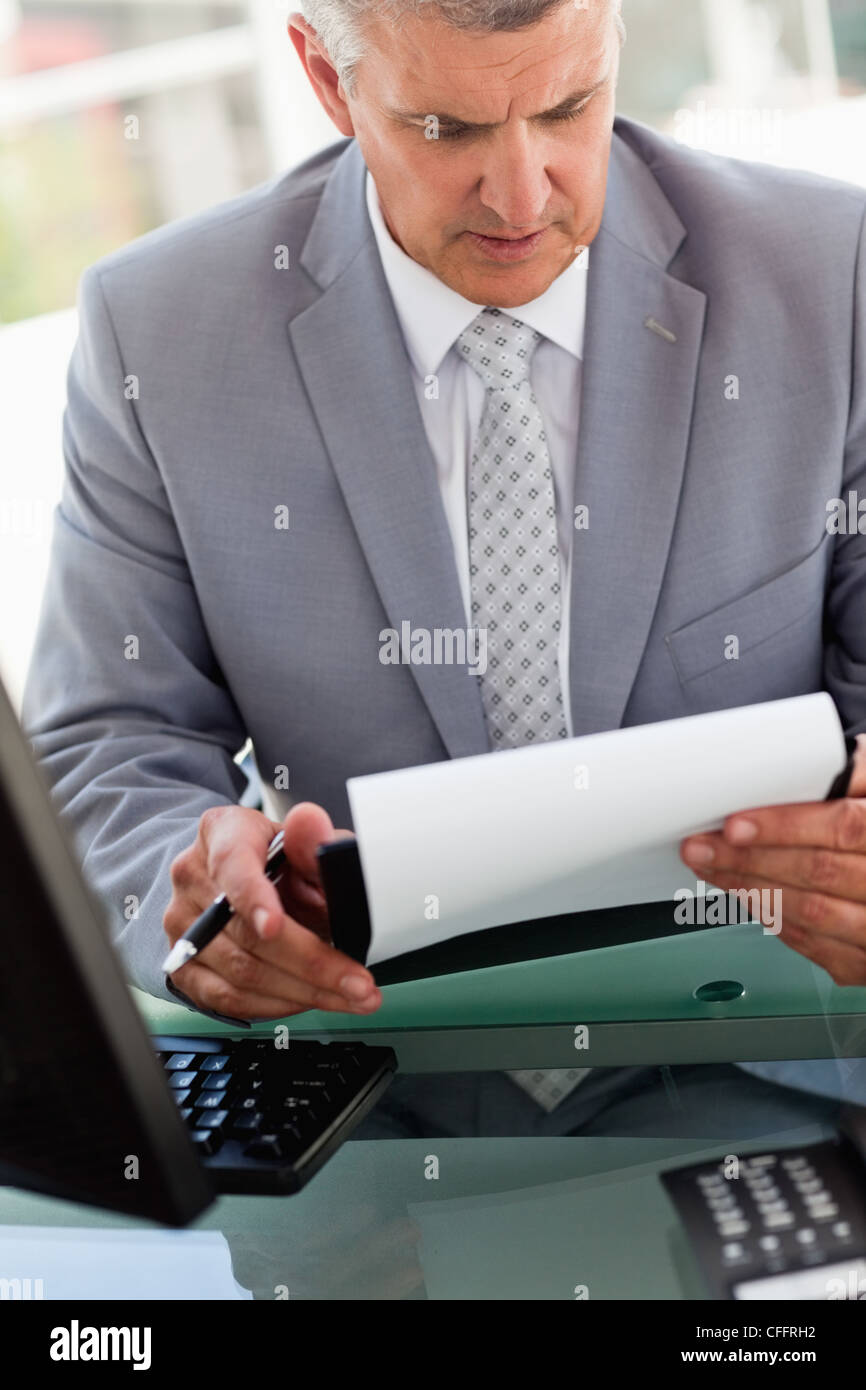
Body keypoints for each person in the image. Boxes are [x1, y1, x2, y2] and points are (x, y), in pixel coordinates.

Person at [23, 0, 866, 1135]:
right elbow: (103, 741)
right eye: (444, 127)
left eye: (565, 108)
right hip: (369, 1111)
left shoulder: (831, 277)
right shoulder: (157, 336)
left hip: (783, 1069)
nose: (521, 195)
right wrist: (195, 901)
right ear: (327, 78)